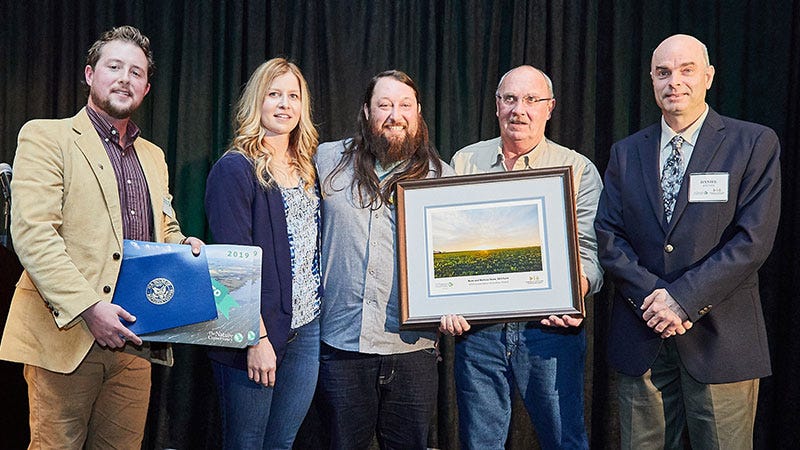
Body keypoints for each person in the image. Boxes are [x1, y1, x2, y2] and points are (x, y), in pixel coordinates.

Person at [0, 25, 203, 449]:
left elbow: (162, 226)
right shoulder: (45, 137)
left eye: (136, 72)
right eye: (115, 67)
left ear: (147, 88)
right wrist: (91, 308)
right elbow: (33, 234)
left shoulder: (154, 156)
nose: (125, 78)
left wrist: (182, 247)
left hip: (135, 343)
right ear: (90, 75)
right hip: (66, 338)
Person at [594, 34, 781, 450]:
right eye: (663, 72)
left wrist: (683, 299)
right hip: (643, 336)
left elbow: (752, 240)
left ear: (709, 77)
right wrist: (657, 300)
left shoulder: (752, 143)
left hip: (720, 340)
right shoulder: (626, 153)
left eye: (686, 70)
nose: (674, 81)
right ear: (651, 80)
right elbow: (609, 237)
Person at [441, 65, 603, 449]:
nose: (520, 109)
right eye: (510, 99)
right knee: (479, 443)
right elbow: (445, 245)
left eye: (532, 100)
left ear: (550, 108)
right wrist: (443, 298)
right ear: (497, 106)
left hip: (549, 330)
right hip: (479, 333)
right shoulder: (464, 163)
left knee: (564, 440)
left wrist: (573, 292)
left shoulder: (577, 170)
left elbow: (590, 253)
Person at [315, 70, 453, 449]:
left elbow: (456, 263)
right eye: (384, 105)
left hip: (413, 350)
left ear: (419, 112)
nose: (395, 114)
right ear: (365, 111)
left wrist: (458, 304)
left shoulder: (443, 179)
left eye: (405, 105)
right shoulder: (327, 159)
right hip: (341, 348)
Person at [204, 58, 322, 449]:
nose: (284, 104)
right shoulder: (235, 169)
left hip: (306, 330)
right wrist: (255, 339)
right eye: (274, 94)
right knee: (247, 443)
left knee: (282, 443)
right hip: (256, 334)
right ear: (258, 101)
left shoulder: (308, 167)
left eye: (293, 96)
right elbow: (229, 271)